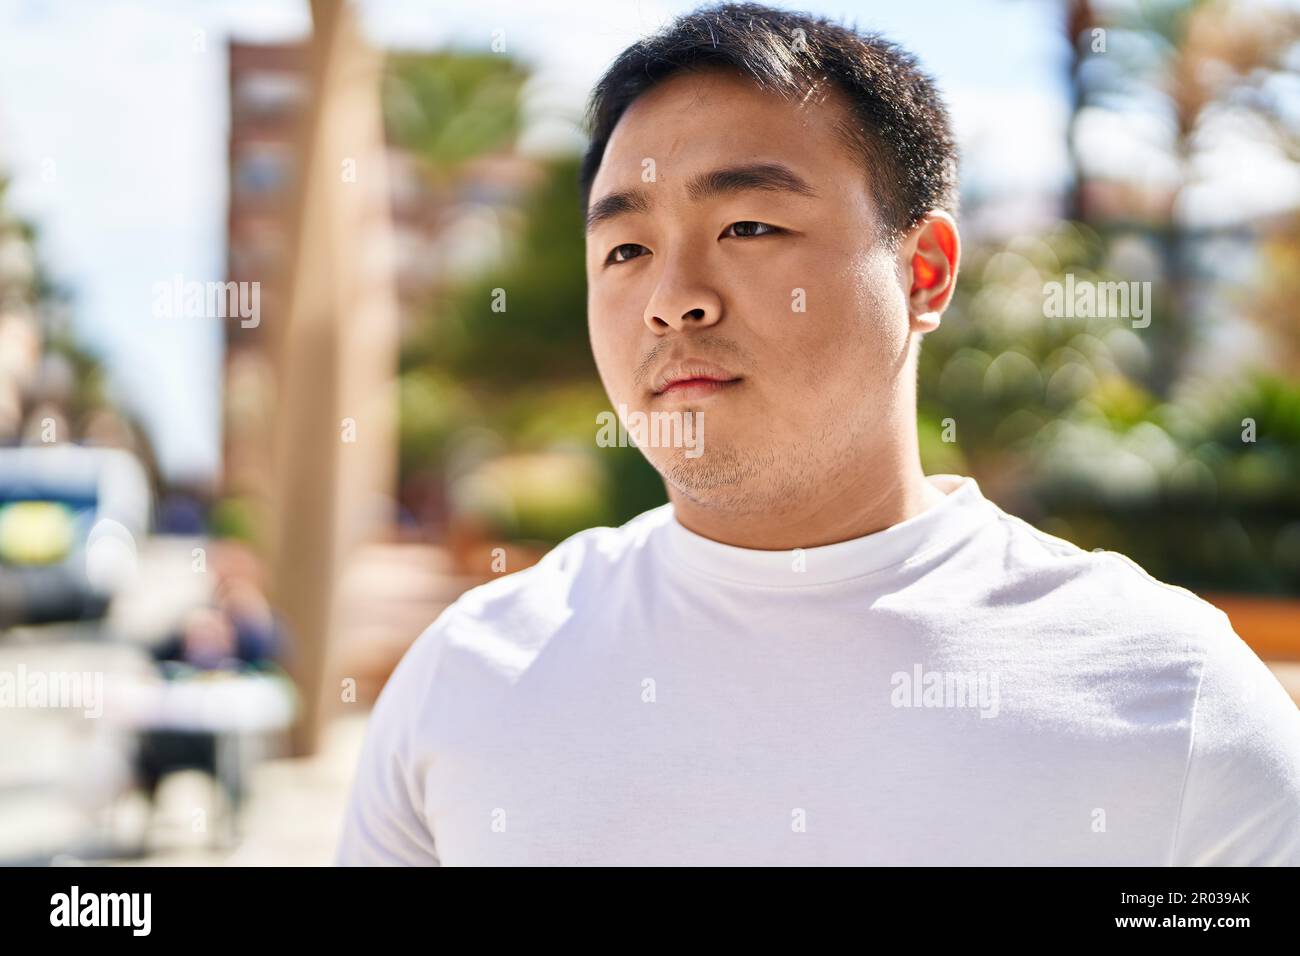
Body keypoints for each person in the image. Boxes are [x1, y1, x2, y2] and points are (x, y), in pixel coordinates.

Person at [337, 2, 1300, 865]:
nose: (674, 302)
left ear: (924, 272)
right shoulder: (468, 677)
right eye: (625, 249)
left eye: (749, 227)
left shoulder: (1170, 697)